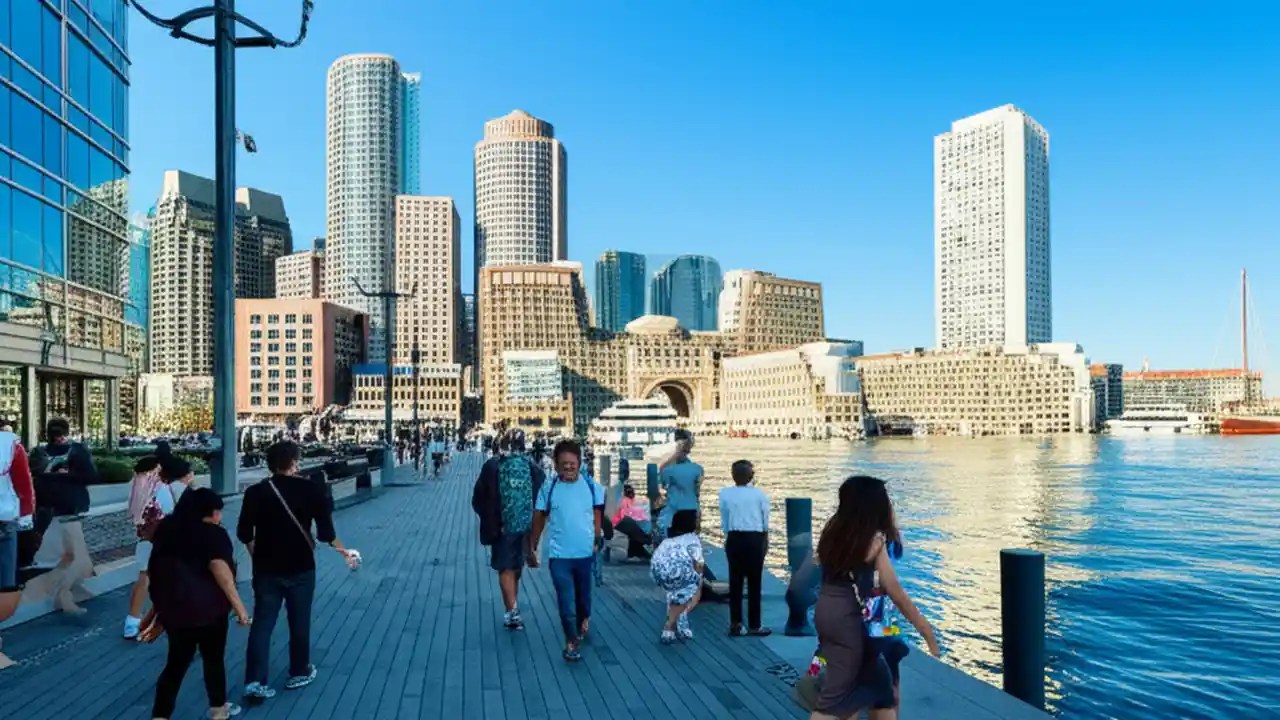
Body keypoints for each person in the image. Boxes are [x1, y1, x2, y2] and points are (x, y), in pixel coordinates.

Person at [809, 476, 939, 720]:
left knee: (878, 692)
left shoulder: (833, 532)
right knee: (834, 701)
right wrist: (926, 631)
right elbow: (895, 590)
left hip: (827, 613)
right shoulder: (874, 541)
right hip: (856, 622)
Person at [238, 441, 359, 700]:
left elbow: (244, 533)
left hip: (266, 569)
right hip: (301, 567)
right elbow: (326, 533)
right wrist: (343, 550)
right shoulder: (311, 489)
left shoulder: (256, 492)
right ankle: (299, 671)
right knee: (299, 620)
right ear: (294, 462)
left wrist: (256, 556)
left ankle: (254, 682)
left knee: (262, 624)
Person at [142, 487, 248, 720]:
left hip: (175, 611)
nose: (219, 517)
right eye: (217, 512)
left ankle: (160, 716)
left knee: (176, 664)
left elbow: (158, 574)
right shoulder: (213, 534)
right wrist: (241, 610)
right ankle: (218, 710)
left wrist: (155, 612)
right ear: (208, 512)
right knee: (213, 659)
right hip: (210, 611)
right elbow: (222, 574)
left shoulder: (166, 531)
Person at [529, 439, 604, 663]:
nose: (569, 468)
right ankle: (571, 642)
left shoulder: (592, 486)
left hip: (584, 554)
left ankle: (583, 619)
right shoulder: (549, 487)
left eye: (573, 463)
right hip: (559, 556)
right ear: (556, 464)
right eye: (564, 464)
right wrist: (532, 544)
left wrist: (597, 537)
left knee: (583, 599)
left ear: (579, 463)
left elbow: (598, 513)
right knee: (565, 599)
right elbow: (539, 515)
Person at [471, 429, 545, 631]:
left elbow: (477, 499)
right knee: (516, 566)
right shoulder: (531, 467)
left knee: (505, 568)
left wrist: (490, 518)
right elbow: (543, 495)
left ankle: (511, 610)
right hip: (525, 526)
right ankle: (513, 604)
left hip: (502, 525)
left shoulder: (492, 466)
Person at [29, 418, 97, 615]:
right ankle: (63, 595)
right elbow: (91, 476)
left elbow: (33, 475)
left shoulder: (38, 452)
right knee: (74, 557)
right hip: (69, 508)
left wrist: (53, 475)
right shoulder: (77, 451)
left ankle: (63, 593)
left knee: (63, 555)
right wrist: (67, 474)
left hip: (45, 509)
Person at [123, 455, 187, 639]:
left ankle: (131, 623)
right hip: (166, 541)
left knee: (143, 579)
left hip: (144, 540)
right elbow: (171, 512)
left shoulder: (136, 488)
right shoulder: (162, 489)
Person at [720, 459, 772, 637]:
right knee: (754, 582)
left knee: (735, 582)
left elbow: (725, 518)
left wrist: (728, 535)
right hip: (754, 538)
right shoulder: (759, 494)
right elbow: (765, 520)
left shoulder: (725, 493)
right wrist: (765, 540)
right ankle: (755, 625)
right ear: (751, 476)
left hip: (734, 537)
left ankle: (735, 624)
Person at [0, 426, 35, 669]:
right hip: (4, 521)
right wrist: (26, 519)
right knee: (4, 583)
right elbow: (24, 486)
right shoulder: (11, 445)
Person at [649, 509, 703, 643]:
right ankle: (669, 626)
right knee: (692, 593)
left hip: (658, 571)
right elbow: (699, 563)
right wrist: (699, 581)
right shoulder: (692, 539)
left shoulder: (669, 538)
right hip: (678, 573)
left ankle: (682, 626)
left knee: (675, 594)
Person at [610, 484, 653, 560]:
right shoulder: (625, 501)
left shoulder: (629, 501)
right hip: (620, 523)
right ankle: (647, 544)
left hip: (625, 524)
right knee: (629, 523)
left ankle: (645, 545)